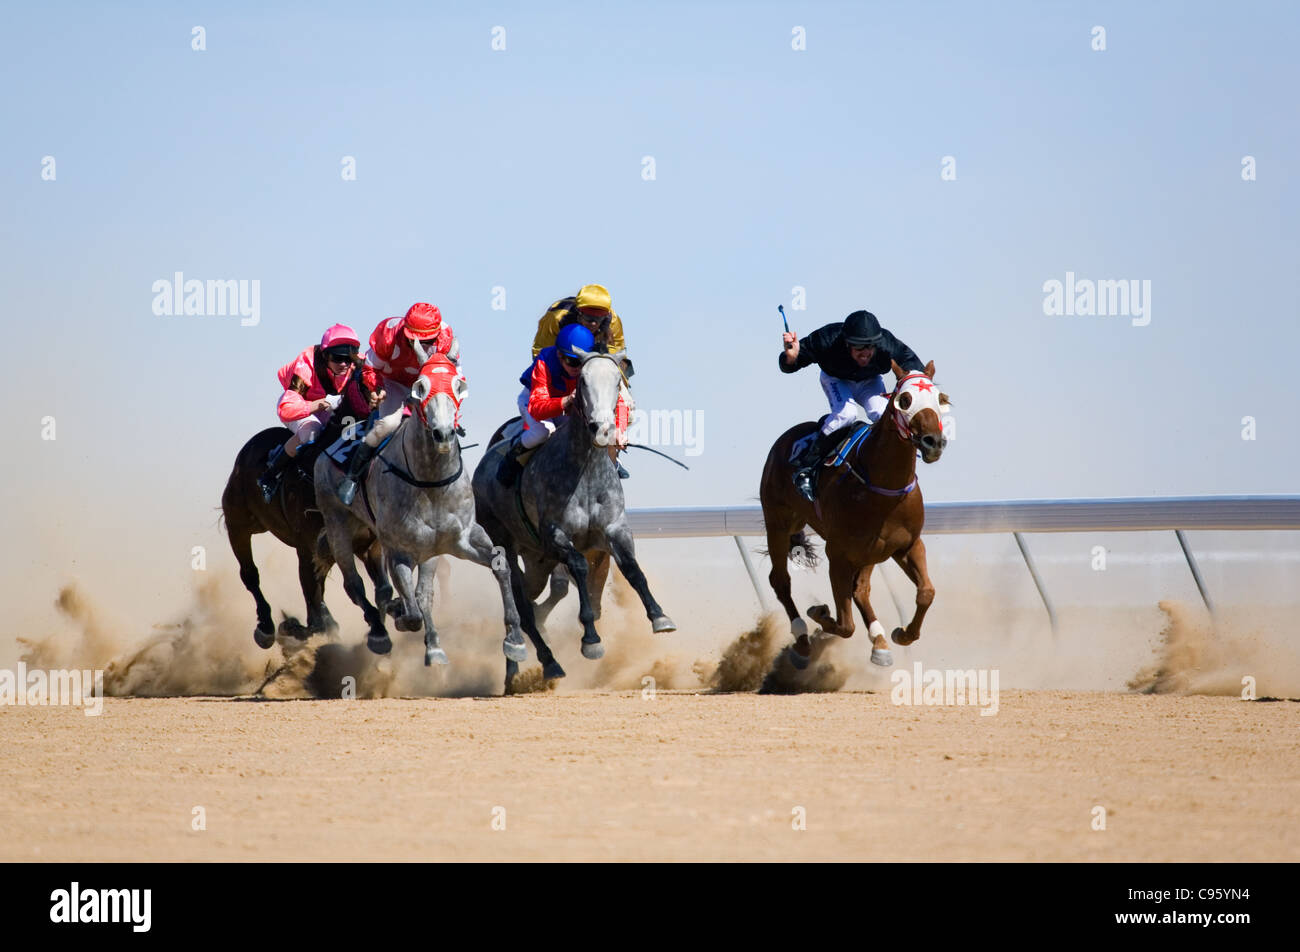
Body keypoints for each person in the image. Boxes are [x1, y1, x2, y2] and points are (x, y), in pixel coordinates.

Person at [780, 309, 925, 501]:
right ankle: (806, 468)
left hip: (869, 381)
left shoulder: (887, 344)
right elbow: (792, 362)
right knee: (847, 414)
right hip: (836, 379)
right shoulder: (828, 338)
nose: (865, 354)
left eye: (869, 349)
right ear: (847, 344)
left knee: (883, 414)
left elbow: (917, 369)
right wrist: (792, 356)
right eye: (858, 349)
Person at [336, 303, 458, 505]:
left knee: (443, 424)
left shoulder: (445, 336)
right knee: (389, 425)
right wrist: (377, 388)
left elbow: (449, 375)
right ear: (407, 333)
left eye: (430, 340)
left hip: (427, 383)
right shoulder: (389, 334)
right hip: (393, 382)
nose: (426, 344)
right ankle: (352, 477)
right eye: (419, 340)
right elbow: (370, 368)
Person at [496, 324, 628, 486]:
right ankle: (513, 456)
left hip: (568, 408)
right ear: (559, 355)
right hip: (534, 402)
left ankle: (612, 464)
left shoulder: (592, 368)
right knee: (543, 432)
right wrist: (565, 401)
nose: (577, 368)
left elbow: (618, 401)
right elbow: (537, 408)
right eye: (572, 362)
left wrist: (620, 430)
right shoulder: (544, 362)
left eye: (580, 362)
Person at [531, 284, 632, 476]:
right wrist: (558, 377)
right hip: (562, 362)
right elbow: (539, 352)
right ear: (578, 311)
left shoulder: (614, 321)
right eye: (588, 318)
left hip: (599, 365)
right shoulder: (555, 318)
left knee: (622, 399)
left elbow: (617, 360)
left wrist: (617, 388)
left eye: (599, 318)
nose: (594, 323)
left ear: (607, 315)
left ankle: (613, 451)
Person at [258, 324, 362, 502]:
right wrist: (319, 404)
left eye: (349, 358)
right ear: (325, 355)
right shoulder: (307, 362)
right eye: (338, 358)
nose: (344, 364)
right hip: (301, 403)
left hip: (330, 405)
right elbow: (286, 408)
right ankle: (270, 474)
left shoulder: (357, 364)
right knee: (312, 432)